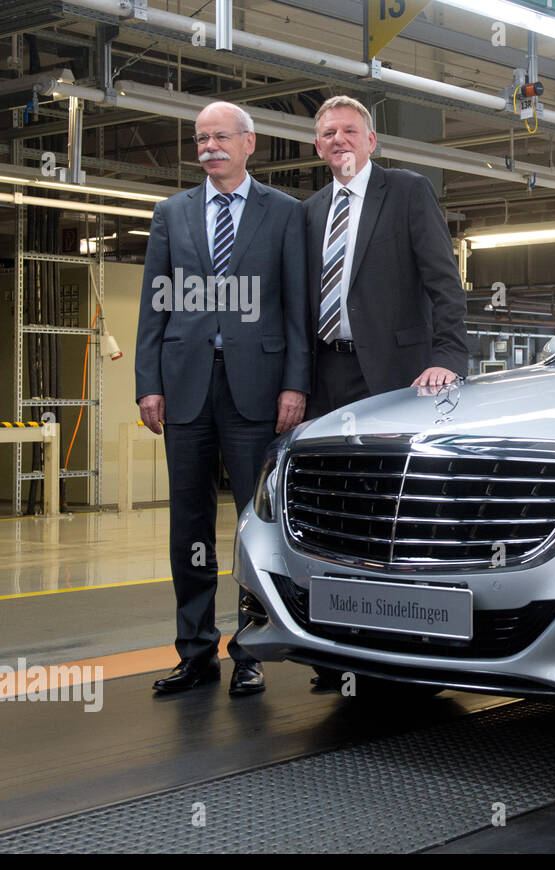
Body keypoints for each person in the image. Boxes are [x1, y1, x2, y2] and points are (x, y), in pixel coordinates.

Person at [136, 101, 309, 696]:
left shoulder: (285, 213)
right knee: (189, 522)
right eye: (200, 138)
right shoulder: (171, 213)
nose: (209, 146)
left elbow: (295, 310)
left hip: (256, 388)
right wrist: (148, 383)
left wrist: (295, 382)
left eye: (220, 137)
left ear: (249, 143)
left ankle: (250, 650)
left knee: (252, 526)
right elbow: (153, 307)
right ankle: (194, 650)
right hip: (185, 385)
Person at [301, 95, 468, 418]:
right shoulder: (309, 211)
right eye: (329, 134)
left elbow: (445, 283)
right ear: (319, 147)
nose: (339, 139)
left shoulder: (408, 191)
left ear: (371, 141)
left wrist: (447, 357)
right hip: (323, 375)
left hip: (395, 372)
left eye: (350, 130)